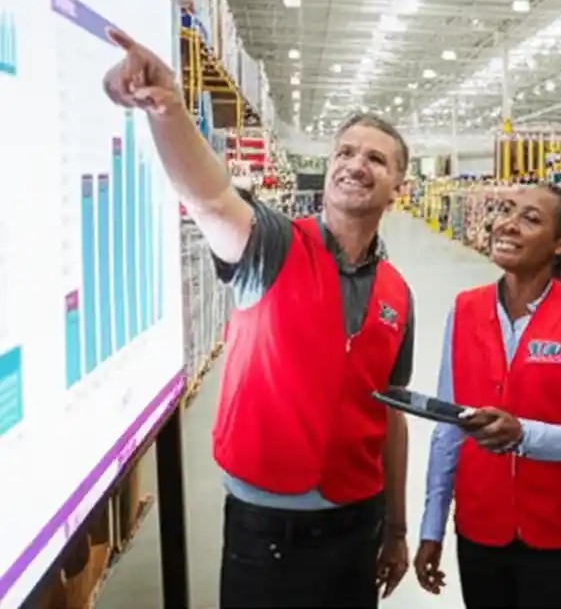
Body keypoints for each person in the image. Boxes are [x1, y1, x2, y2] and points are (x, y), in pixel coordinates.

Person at [102, 30, 415, 609]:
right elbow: (213, 200)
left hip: (356, 524)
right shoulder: (273, 246)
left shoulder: (398, 293)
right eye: (345, 152)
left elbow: (392, 416)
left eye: (376, 158)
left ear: (400, 187)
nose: (355, 164)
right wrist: (169, 110)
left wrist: (395, 528)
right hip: (267, 532)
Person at [414, 183, 561, 608]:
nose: (508, 224)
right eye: (506, 211)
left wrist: (523, 435)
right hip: (482, 530)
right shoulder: (465, 310)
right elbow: (449, 430)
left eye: (531, 218)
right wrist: (432, 527)